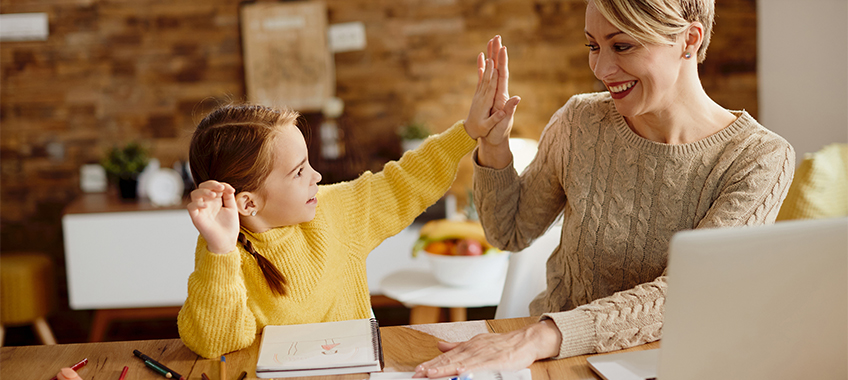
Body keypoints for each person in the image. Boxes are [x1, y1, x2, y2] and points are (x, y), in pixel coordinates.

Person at [414, 0, 795, 377]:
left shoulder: (758, 157)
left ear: (689, 40)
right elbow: (508, 232)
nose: (601, 68)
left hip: (669, 366)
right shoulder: (580, 121)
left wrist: (541, 336)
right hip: (554, 364)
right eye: (593, 46)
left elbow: (691, 292)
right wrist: (493, 145)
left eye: (622, 45)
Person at [177, 57, 521, 358]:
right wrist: (219, 251)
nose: (317, 176)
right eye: (299, 172)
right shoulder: (222, 250)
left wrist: (467, 132)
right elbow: (216, 343)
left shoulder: (335, 212)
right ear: (248, 203)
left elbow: (404, 181)